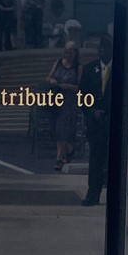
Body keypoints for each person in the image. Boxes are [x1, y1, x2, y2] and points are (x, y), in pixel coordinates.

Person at [80, 36, 114, 206]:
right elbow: (82, 96)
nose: (102, 51)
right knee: (95, 159)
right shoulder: (89, 69)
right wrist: (91, 112)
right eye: (100, 48)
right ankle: (92, 194)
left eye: (106, 48)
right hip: (96, 122)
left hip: (113, 122)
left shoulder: (121, 68)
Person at [46, 41, 81, 171]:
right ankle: (69, 150)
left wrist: (67, 86)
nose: (67, 54)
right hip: (56, 99)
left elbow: (79, 87)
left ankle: (59, 158)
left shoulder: (77, 67)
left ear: (75, 54)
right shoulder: (58, 63)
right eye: (66, 52)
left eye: (70, 52)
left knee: (63, 128)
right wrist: (53, 81)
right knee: (57, 128)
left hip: (69, 101)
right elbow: (48, 78)